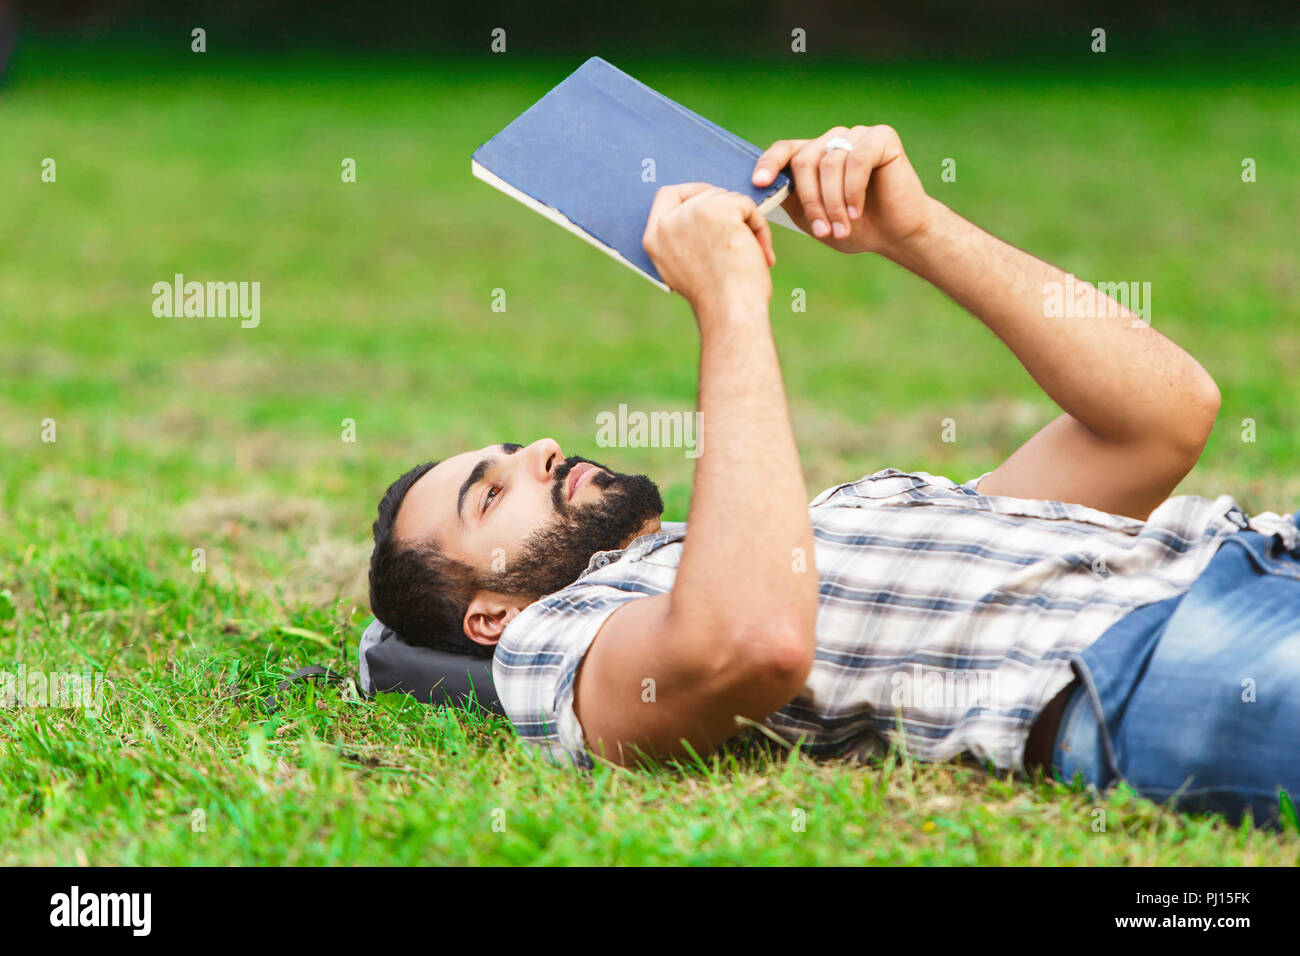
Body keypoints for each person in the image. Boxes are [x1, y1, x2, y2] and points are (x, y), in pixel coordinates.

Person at [368, 124, 1299, 826]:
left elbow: (1160, 418)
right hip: (1162, 656)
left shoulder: (825, 524)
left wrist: (917, 232)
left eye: (514, 453)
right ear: (489, 617)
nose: (539, 453)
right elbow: (751, 643)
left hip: (1261, 557)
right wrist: (730, 304)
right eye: (491, 495)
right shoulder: (560, 643)